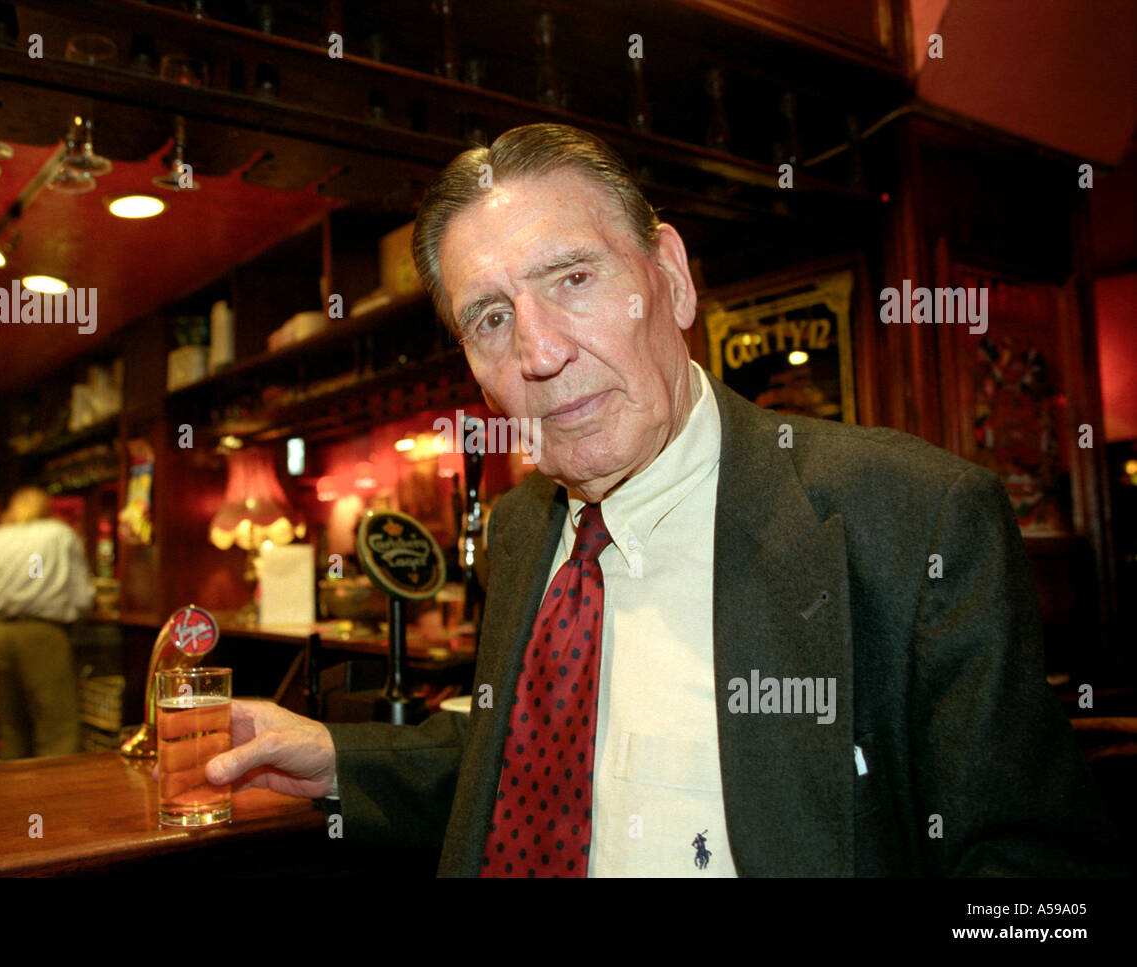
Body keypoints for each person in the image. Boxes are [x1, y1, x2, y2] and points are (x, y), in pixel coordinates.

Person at [206, 123, 1119, 876]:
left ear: (672, 278)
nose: (540, 351)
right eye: (491, 316)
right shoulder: (524, 530)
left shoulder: (912, 519)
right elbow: (522, 762)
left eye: (573, 278)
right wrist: (333, 754)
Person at [0, 486, 95, 759]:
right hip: (43, 633)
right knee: (57, 727)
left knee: (11, 727)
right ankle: (56, 786)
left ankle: (14, 785)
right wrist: (76, 620)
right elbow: (82, 596)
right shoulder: (60, 535)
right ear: (46, 508)